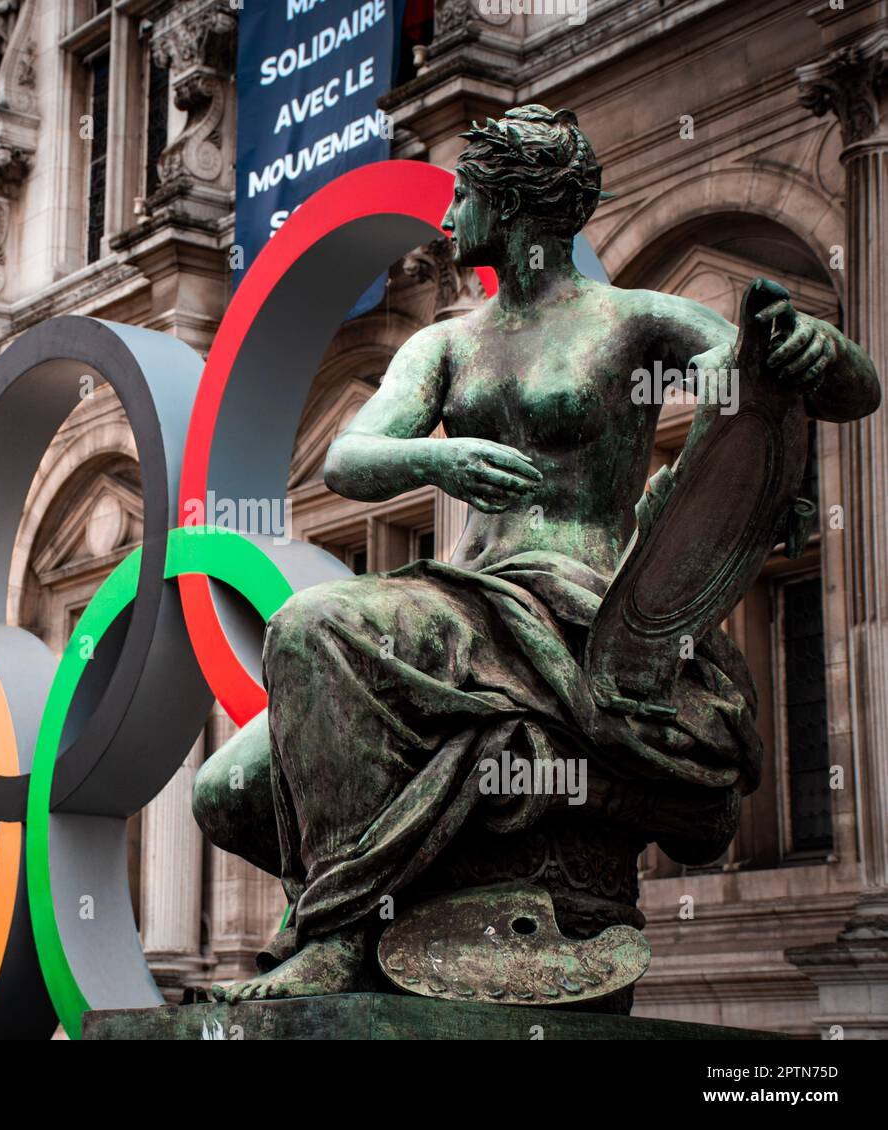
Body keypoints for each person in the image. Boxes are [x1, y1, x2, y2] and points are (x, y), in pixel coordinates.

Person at [193, 105, 881, 1003]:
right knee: (227, 790)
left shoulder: (634, 322)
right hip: (470, 595)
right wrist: (436, 455)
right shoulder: (445, 343)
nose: (447, 218)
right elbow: (345, 461)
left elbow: (837, 391)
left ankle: (342, 932)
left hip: (586, 598)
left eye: (465, 194)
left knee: (310, 619)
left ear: (513, 205)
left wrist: (811, 348)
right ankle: (390, 897)